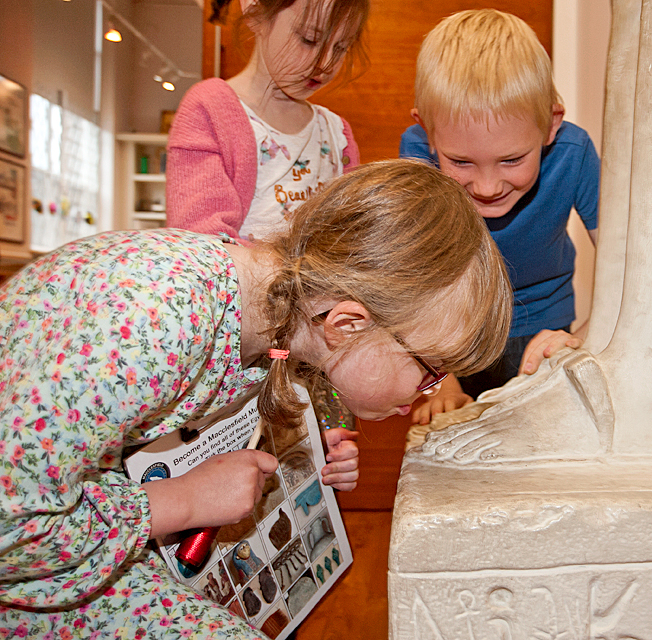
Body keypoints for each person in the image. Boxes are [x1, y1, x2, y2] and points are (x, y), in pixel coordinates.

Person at [0, 160, 512, 637]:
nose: (427, 390)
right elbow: (11, 523)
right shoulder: (158, 322)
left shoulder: (269, 321)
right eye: (430, 370)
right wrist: (183, 501)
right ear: (348, 324)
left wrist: (310, 446)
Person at [399, 9, 600, 424]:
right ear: (428, 134)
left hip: (544, 328)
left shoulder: (574, 153)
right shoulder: (416, 156)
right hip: (453, 336)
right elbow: (414, 281)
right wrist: (440, 376)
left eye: (511, 159)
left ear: (550, 125)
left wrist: (584, 337)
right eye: (461, 161)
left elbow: (626, 266)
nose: (487, 187)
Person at [166, 0, 368, 242]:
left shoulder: (338, 135)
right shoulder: (209, 110)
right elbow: (203, 244)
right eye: (309, 40)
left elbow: (348, 238)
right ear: (256, 14)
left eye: (340, 48)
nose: (324, 63)